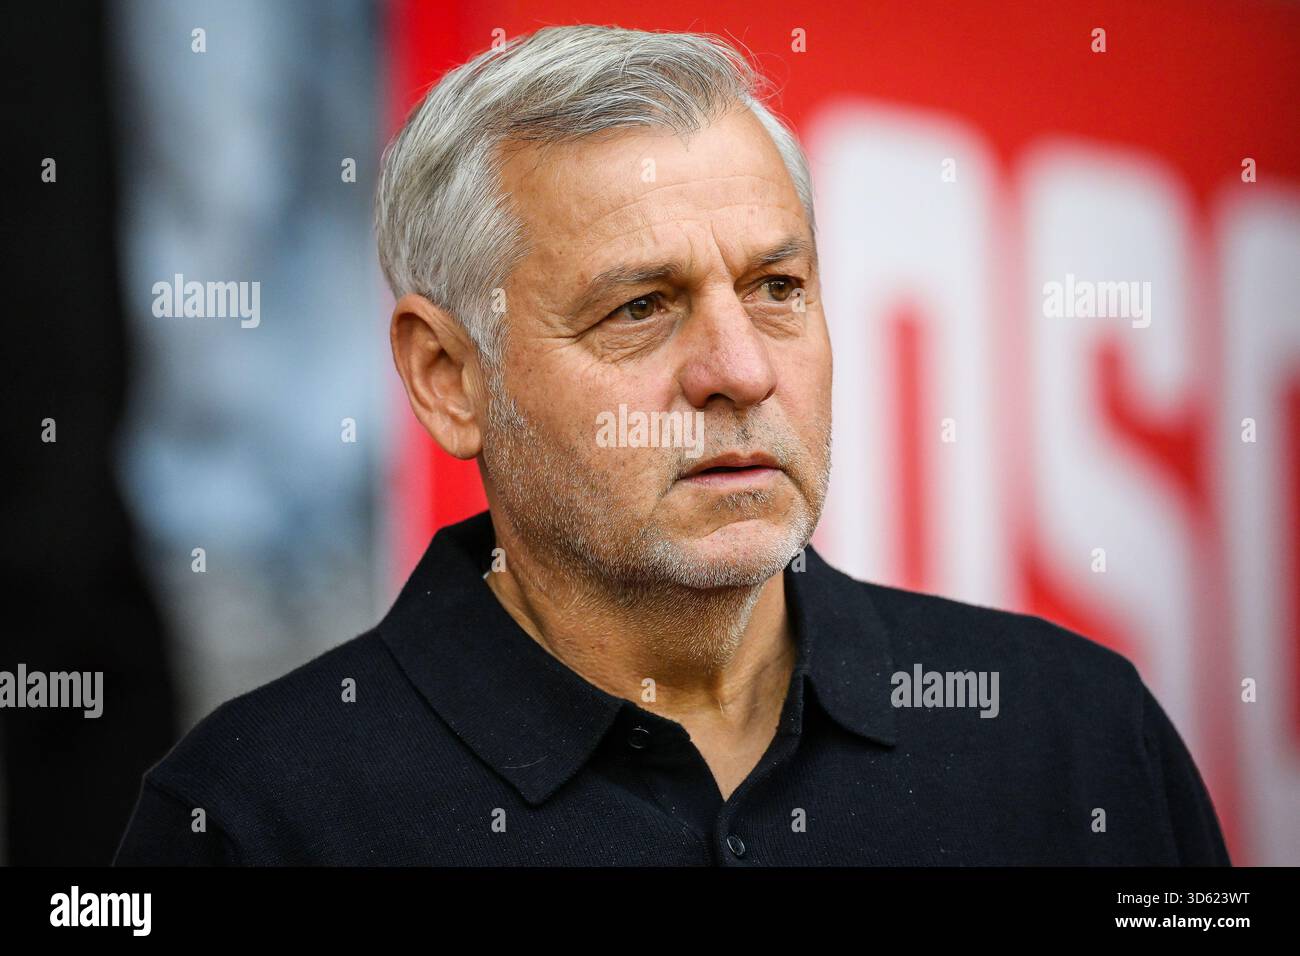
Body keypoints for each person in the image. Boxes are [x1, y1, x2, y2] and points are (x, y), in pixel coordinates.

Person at [113, 24, 1229, 866]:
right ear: (449, 380)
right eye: (640, 306)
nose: (740, 371)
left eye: (777, 287)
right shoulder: (254, 820)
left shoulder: (1075, 736)